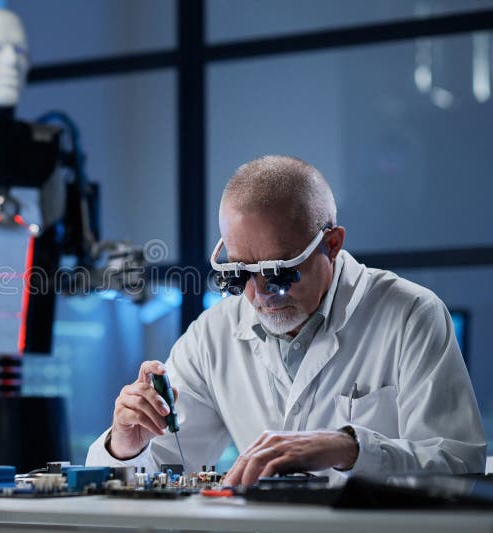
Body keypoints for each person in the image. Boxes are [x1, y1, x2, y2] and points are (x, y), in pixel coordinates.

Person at [86, 155, 487, 485]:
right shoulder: (213, 335)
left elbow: (459, 465)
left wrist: (349, 448)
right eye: (240, 274)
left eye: (280, 273)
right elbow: (167, 466)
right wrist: (127, 443)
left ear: (331, 245)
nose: (260, 294)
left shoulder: (410, 315)